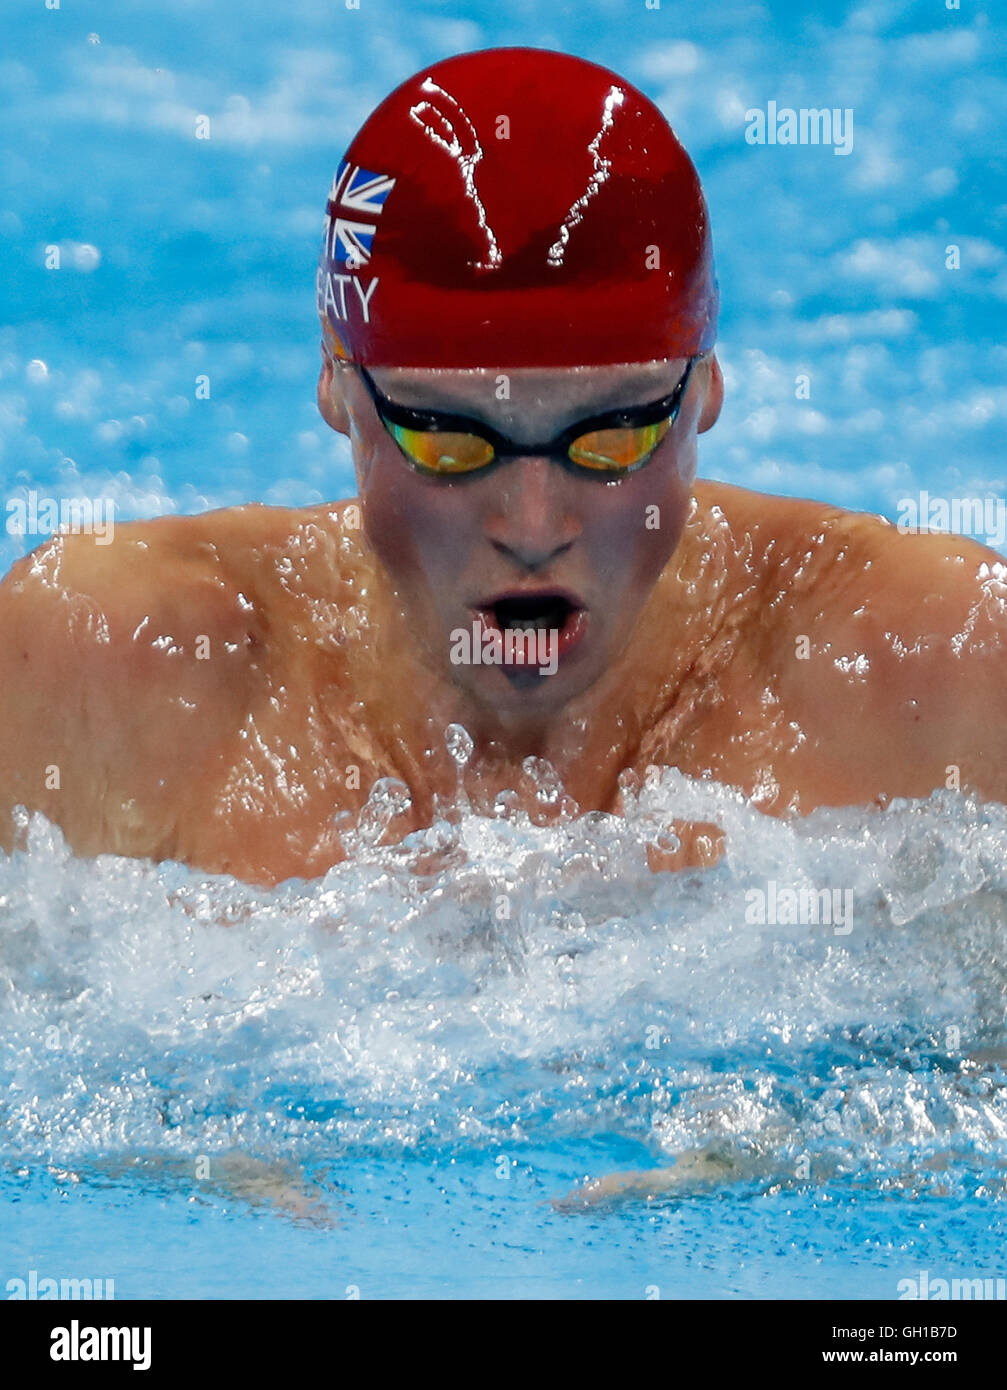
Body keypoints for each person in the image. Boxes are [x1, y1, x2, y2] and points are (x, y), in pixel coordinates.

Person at [0, 46, 1004, 888]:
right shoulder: (110, 667)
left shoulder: (928, 676)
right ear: (337, 385)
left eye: (610, 435)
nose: (531, 520)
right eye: (451, 438)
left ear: (704, 391)